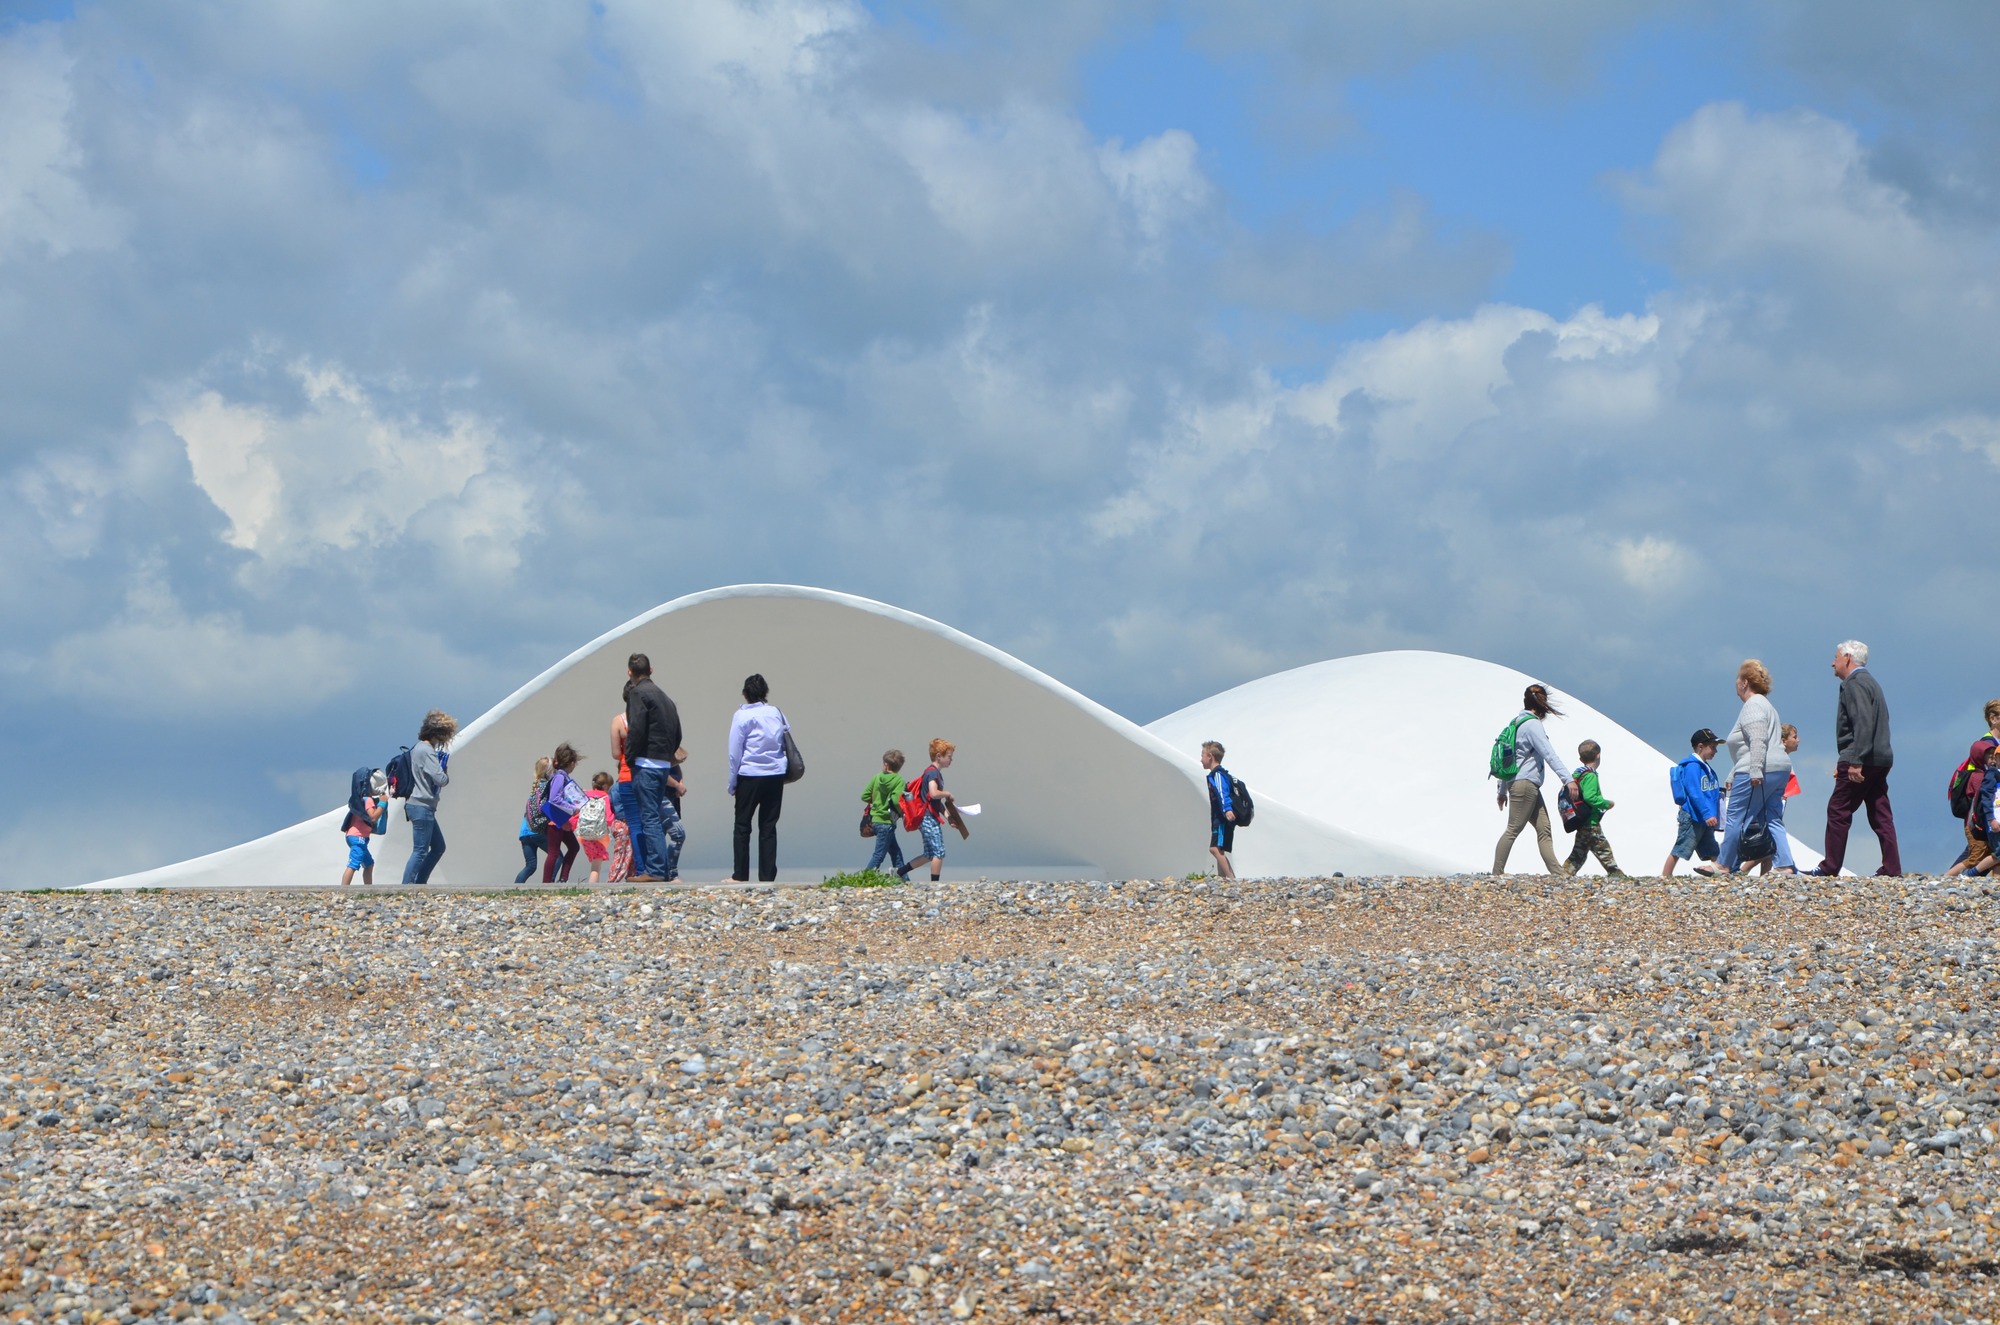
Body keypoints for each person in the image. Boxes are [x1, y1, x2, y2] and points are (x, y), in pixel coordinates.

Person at [1811, 640, 1901, 877]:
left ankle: (1830, 867)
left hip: (1861, 757)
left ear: (1847, 657)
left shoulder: (1854, 683)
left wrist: (1855, 760)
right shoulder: (1872, 682)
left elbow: (1863, 721)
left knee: (1838, 809)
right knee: (1880, 813)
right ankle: (1892, 867)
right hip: (1881, 757)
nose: (1833, 663)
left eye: (1836, 657)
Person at [1492, 685, 1579, 875]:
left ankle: (1558, 874)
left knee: (1544, 828)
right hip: (1525, 784)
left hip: (1523, 784)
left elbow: (1510, 760)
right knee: (1513, 828)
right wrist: (1568, 779)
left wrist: (1502, 791)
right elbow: (1549, 754)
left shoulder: (1516, 723)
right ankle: (1496, 873)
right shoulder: (1532, 725)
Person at [1717, 660, 1794, 874]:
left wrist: (1755, 770)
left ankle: (1724, 864)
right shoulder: (1768, 706)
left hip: (1760, 768)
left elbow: (1757, 739)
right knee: (1772, 817)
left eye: (1737, 680)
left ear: (1744, 682)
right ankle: (1785, 865)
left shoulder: (1752, 705)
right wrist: (1734, 772)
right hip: (1780, 767)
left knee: (1737, 815)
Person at [624, 653, 684, 884]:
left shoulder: (637, 693)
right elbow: (678, 732)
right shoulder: (665, 697)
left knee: (648, 817)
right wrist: (667, 755)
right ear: (651, 670)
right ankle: (663, 870)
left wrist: (630, 758)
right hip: (663, 765)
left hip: (646, 764)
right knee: (655, 817)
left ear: (629, 672)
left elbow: (636, 729)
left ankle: (656, 870)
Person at [725, 674, 788, 883]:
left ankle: (740, 875)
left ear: (745, 693)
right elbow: (785, 736)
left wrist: (732, 782)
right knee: (768, 827)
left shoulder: (741, 716)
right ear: (765, 692)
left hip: (750, 774)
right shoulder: (776, 712)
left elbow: (734, 752)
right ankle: (767, 876)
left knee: (742, 826)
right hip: (775, 774)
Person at [1943, 702, 2000, 877]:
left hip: (1987, 811)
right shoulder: (1987, 744)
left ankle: (1951, 878)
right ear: (1993, 719)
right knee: (1980, 853)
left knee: (1981, 852)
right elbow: (1985, 788)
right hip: (1983, 811)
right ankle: (1952, 878)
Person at [402, 710, 458, 886]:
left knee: (438, 847)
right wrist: (444, 769)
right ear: (438, 734)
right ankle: (406, 886)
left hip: (417, 805)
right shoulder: (427, 751)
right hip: (422, 805)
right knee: (420, 850)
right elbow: (441, 779)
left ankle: (419, 883)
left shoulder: (417, 748)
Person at [1662, 729, 1724, 878]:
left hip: (1703, 816)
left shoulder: (1705, 767)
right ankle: (1665, 875)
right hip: (1693, 815)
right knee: (1682, 846)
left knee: (1711, 846)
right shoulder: (1692, 767)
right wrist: (1707, 813)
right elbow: (1695, 793)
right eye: (1712, 747)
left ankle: (1719, 870)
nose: (1715, 751)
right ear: (1700, 746)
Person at [1562, 740, 1624, 877]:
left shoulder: (1577, 774)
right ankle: (1615, 873)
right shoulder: (1590, 775)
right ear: (1598, 755)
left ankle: (1564, 874)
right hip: (1591, 821)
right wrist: (1606, 804)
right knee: (1603, 849)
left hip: (1582, 819)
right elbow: (1590, 797)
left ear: (1581, 759)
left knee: (1579, 852)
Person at [899, 739, 956, 882]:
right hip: (928, 817)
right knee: (938, 852)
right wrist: (947, 793)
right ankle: (934, 885)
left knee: (929, 854)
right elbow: (934, 793)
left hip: (927, 817)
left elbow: (935, 802)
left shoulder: (934, 774)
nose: (951, 760)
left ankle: (899, 872)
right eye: (949, 756)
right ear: (939, 756)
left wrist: (948, 817)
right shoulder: (932, 773)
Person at [610, 708, 651, 881]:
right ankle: (656, 868)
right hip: (649, 774)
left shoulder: (619, 721)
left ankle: (641, 869)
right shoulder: (650, 718)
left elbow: (616, 754)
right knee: (652, 822)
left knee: (635, 825)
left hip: (627, 774)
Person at [542, 743, 586, 883]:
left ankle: (563, 879)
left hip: (561, 820)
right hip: (555, 820)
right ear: (571, 763)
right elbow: (554, 798)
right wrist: (572, 808)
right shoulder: (560, 777)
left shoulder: (560, 776)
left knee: (573, 847)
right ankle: (546, 883)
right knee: (554, 852)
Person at [861, 749, 907, 875]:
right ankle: (865, 878)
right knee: (879, 855)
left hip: (875, 820)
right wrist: (901, 813)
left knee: (895, 852)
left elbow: (864, 796)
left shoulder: (876, 777)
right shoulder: (899, 781)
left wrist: (877, 801)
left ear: (886, 764)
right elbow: (896, 801)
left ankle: (904, 879)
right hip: (887, 822)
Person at [339, 767, 386, 887]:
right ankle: (343, 889)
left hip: (356, 836)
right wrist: (382, 803)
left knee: (369, 864)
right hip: (358, 837)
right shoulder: (368, 800)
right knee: (353, 864)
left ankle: (368, 888)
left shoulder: (358, 800)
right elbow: (373, 817)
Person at [1200, 740, 1238, 881]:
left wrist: (1227, 810)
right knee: (1219, 849)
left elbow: (1223, 793)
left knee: (1215, 849)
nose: (1201, 760)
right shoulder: (1217, 774)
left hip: (1221, 818)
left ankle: (1232, 879)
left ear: (1210, 756)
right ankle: (1223, 879)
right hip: (1218, 818)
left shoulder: (1218, 775)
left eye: (1202, 755)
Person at [515, 756, 551, 884]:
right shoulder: (546, 787)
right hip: (536, 831)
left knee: (530, 866)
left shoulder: (535, 789)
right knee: (557, 856)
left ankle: (514, 889)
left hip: (524, 832)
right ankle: (550, 885)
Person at [578, 772, 616, 884]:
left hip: (584, 836)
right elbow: (609, 819)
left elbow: (576, 815)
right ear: (608, 786)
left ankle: (594, 886)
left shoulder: (585, 795)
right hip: (599, 836)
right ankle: (592, 888)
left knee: (594, 862)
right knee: (596, 867)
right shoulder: (606, 798)